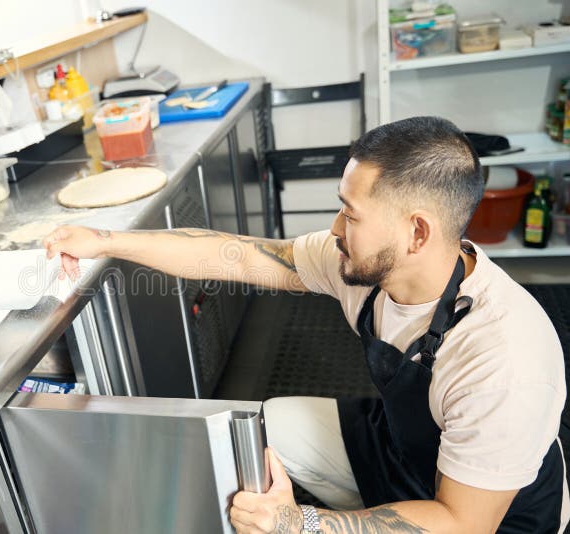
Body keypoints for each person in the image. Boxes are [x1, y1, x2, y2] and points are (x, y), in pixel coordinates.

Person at [44, 116, 568, 533]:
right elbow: (237, 257)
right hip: (408, 449)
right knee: (269, 426)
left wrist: (303, 524)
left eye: (351, 215)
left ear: (417, 233)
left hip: (491, 515)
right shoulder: (364, 264)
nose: (336, 228)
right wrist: (105, 242)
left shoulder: (504, 360)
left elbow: (462, 523)